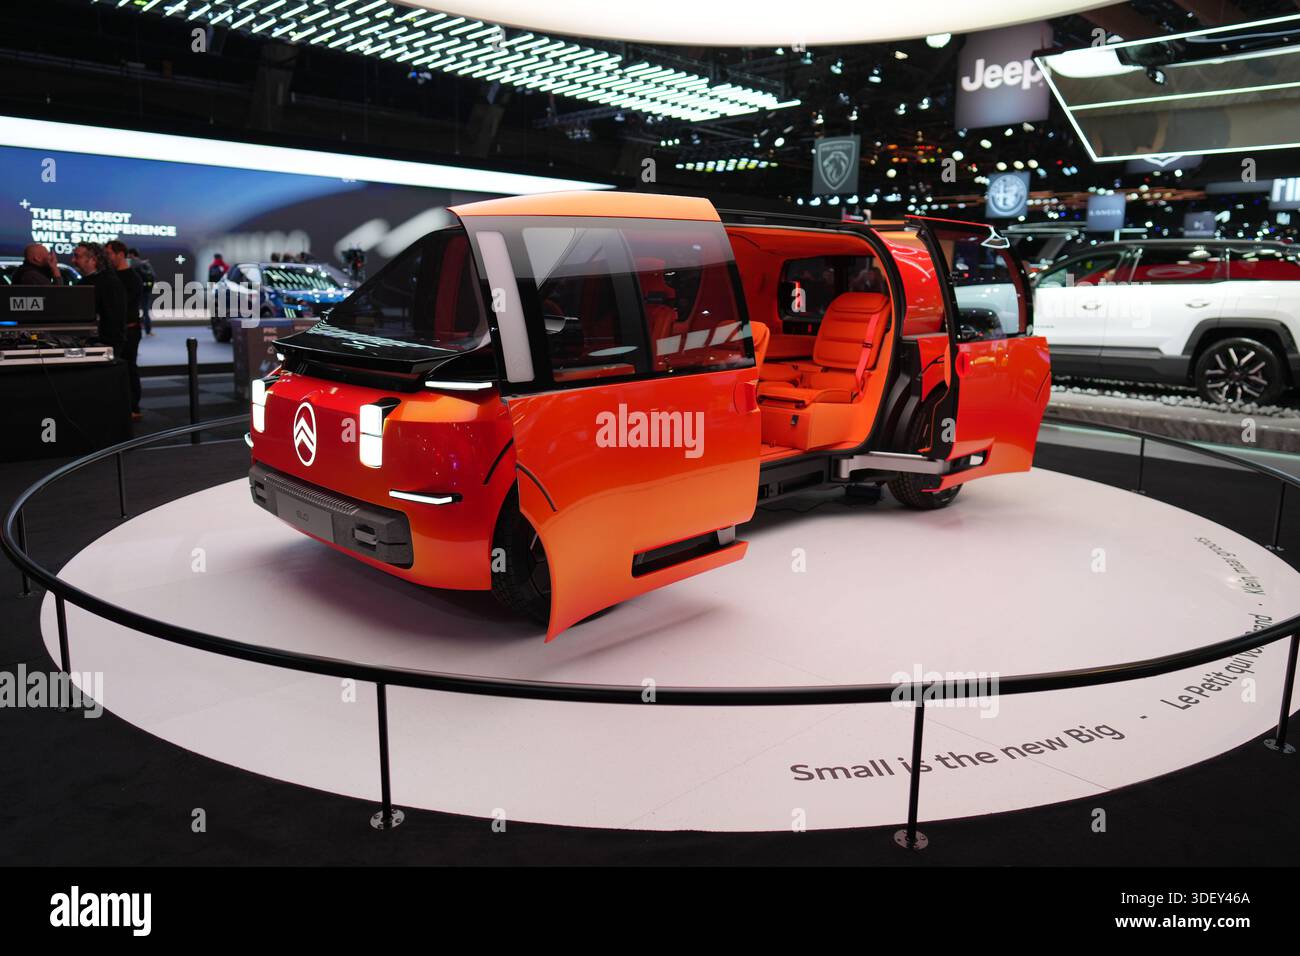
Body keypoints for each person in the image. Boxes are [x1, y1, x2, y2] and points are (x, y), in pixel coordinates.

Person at [106, 240, 144, 421]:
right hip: (118, 330)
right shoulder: (110, 276)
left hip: (130, 330)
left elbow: (123, 306)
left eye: (109, 254)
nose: (107, 257)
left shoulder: (132, 278)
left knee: (130, 368)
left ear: (120, 254)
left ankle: (134, 407)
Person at [128, 247, 156, 335]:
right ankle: (148, 331)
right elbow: (154, 276)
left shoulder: (131, 264)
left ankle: (134, 330)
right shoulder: (144, 263)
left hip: (134, 290)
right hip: (146, 290)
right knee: (145, 311)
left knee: (132, 310)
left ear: (131, 254)